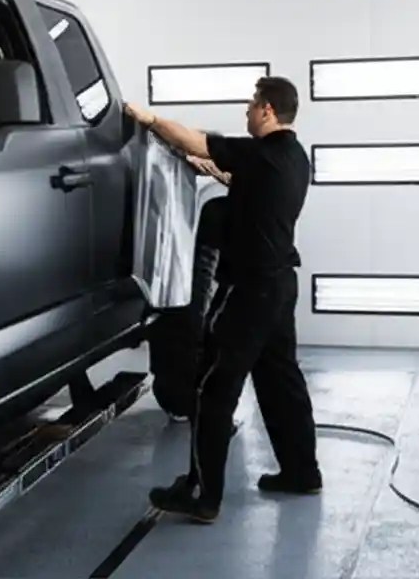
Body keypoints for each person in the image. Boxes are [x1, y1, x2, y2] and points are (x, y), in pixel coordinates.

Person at [123, 76, 321, 524]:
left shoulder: (258, 153)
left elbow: (196, 139)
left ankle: (201, 493)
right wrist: (219, 173)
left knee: (211, 389)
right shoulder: (292, 158)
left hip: (247, 291)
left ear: (268, 110)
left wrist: (149, 118)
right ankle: (301, 472)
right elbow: (252, 189)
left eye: (252, 105)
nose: (247, 112)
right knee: (281, 381)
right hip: (279, 286)